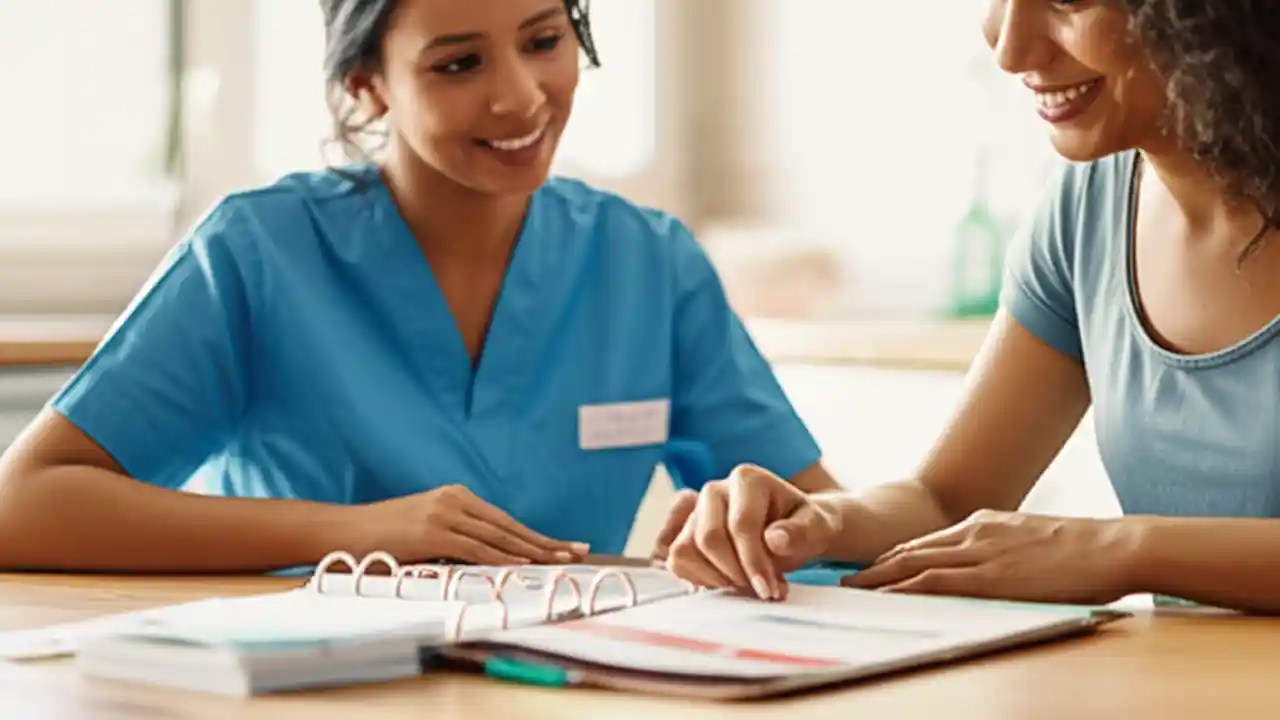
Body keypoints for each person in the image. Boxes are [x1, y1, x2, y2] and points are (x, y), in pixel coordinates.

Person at [0, 0, 836, 573]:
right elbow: (24, 505)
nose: (518, 96)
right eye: (459, 62)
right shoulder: (258, 253)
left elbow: (824, 520)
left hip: (560, 692)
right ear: (366, 84)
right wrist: (362, 532)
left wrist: (762, 524)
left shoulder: (649, 262)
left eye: (543, 40)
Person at [665, 0, 1280, 613]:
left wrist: (1122, 550)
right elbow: (945, 501)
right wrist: (816, 523)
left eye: (1065, 3)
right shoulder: (1086, 207)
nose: (1010, 49)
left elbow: (1094, 549)